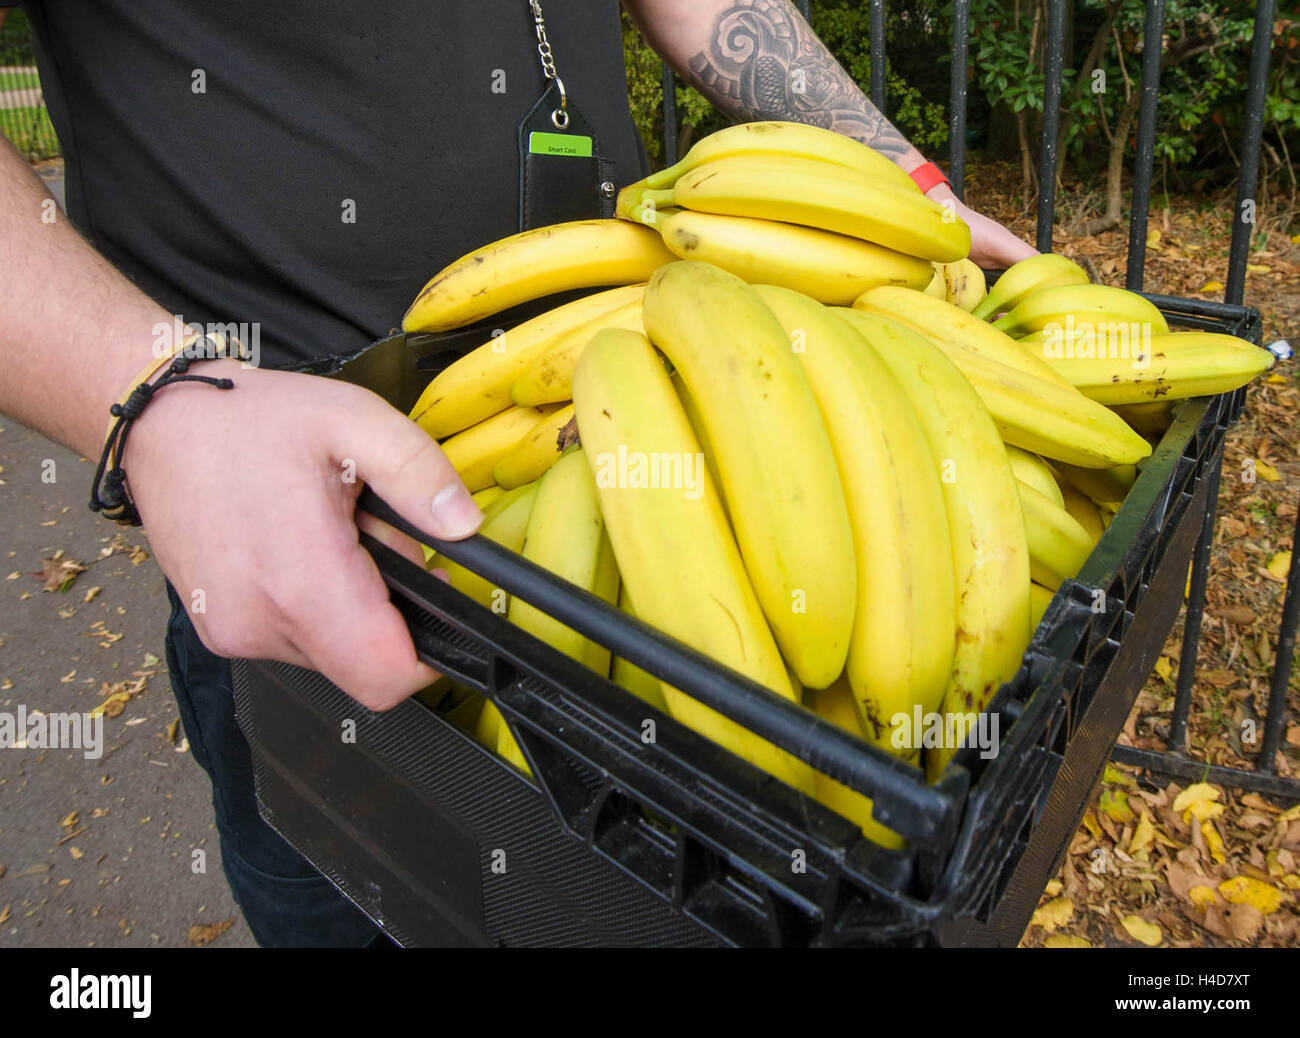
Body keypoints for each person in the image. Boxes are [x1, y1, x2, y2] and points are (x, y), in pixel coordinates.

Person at [0, 0, 1036, 947]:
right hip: (282, 533)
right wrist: (153, 397)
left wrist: (909, 186)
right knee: (351, 904)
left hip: (628, 377)